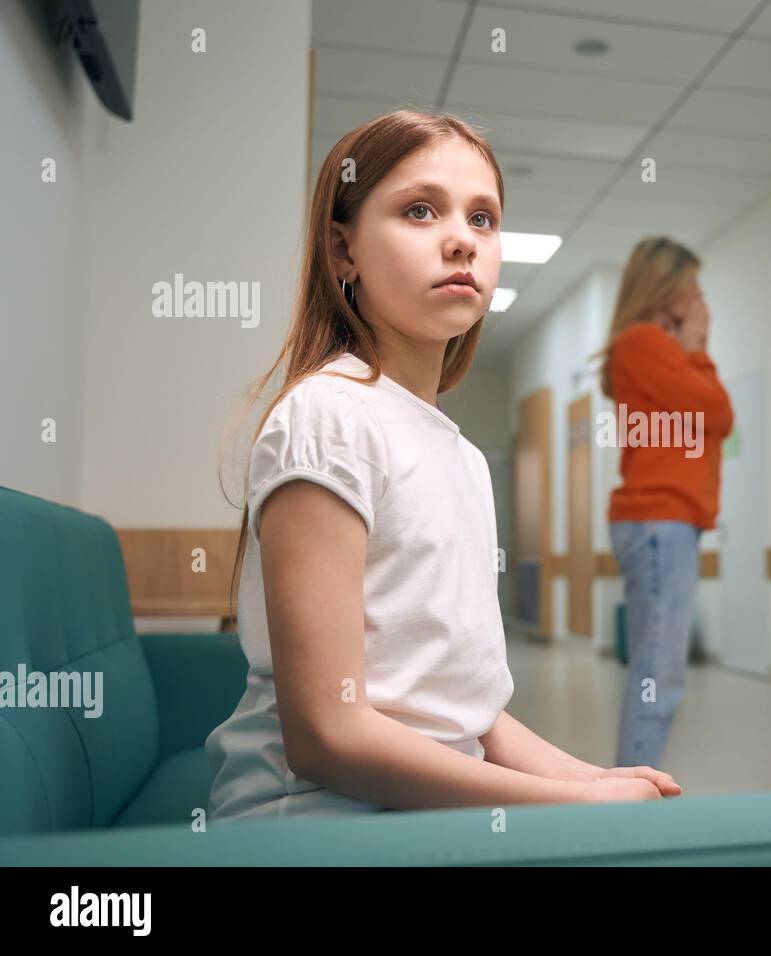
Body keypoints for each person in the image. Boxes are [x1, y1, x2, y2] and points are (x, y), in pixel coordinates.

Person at [206, 110, 681, 820]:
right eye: (420, 210)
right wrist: (569, 805)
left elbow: (470, 714)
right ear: (343, 251)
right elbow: (327, 738)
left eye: (483, 218)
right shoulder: (330, 418)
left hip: (426, 812)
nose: (462, 239)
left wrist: (594, 779)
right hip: (313, 820)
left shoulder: (460, 456)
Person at [593, 238, 733, 768]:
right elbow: (717, 413)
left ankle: (634, 787)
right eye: (692, 287)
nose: (701, 299)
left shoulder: (650, 346)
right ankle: (633, 799)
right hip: (659, 521)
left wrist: (691, 348)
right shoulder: (643, 341)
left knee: (659, 668)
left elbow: (705, 417)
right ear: (664, 289)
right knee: (658, 672)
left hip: (665, 523)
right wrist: (698, 346)